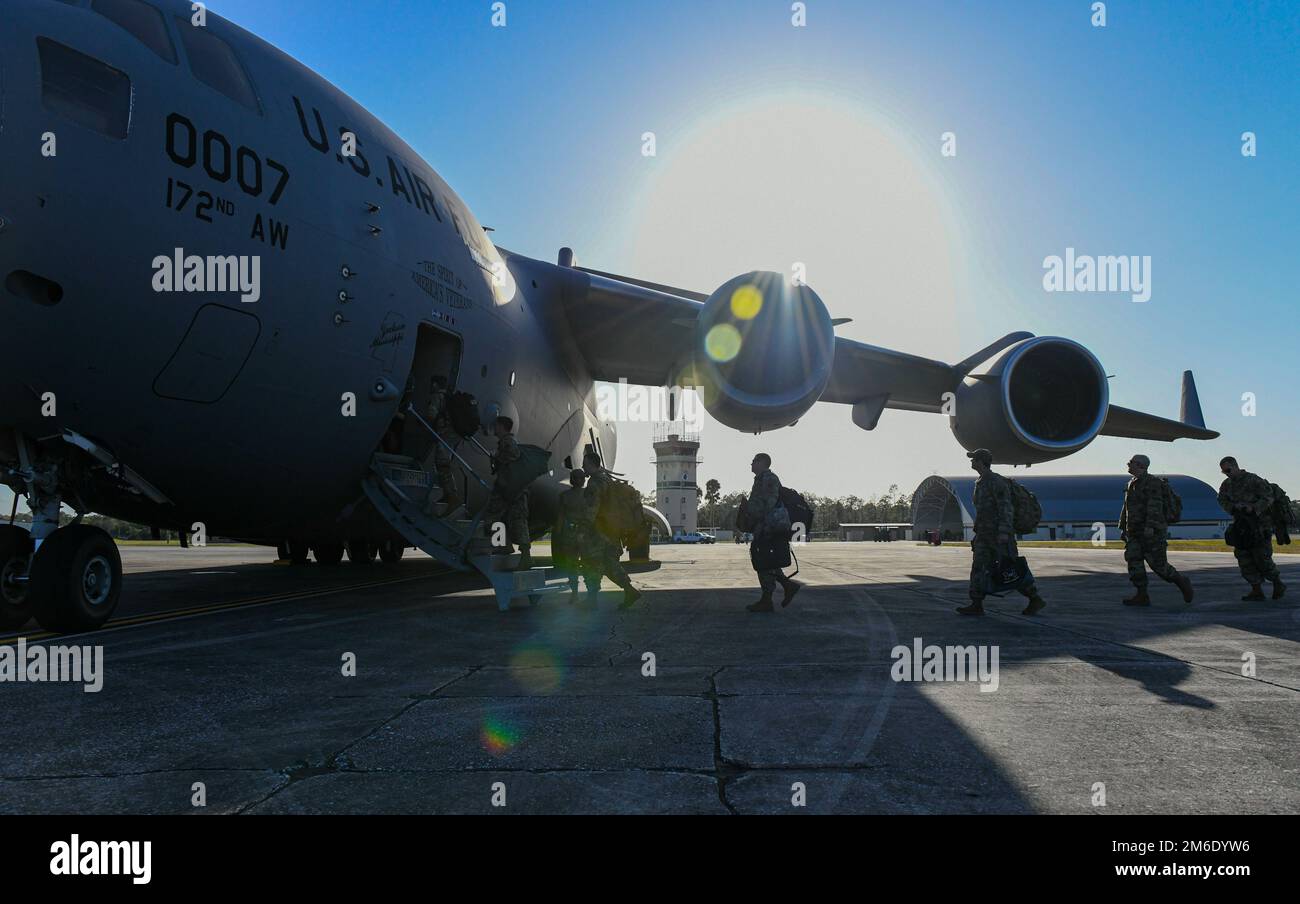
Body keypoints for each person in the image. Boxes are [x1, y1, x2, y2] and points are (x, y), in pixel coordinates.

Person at [956, 449, 1046, 616]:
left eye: (974, 459)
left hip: (999, 536)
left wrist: (1004, 532)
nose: (971, 462)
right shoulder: (980, 482)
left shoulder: (996, 481)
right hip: (984, 535)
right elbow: (982, 512)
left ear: (981, 461)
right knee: (979, 567)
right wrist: (977, 534)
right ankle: (976, 603)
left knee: (1010, 568)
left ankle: (1034, 598)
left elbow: (1006, 508)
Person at [1118, 454, 1194, 606]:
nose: (1128, 464)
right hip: (1134, 532)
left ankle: (1181, 581)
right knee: (1134, 562)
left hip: (1151, 532)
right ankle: (1141, 594)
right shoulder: (1131, 483)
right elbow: (1127, 508)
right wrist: (1123, 527)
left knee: (1159, 565)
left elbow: (1155, 507)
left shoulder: (1153, 483)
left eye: (1131, 462)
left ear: (1140, 465)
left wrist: (1150, 527)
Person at [1218, 456, 1286, 601]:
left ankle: (1277, 583)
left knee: (1262, 557)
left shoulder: (1253, 480)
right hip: (1241, 527)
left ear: (1235, 466)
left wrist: (1253, 508)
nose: (1227, 473)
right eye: (1224, 472)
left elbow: (1268, 496)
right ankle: (1256, 590)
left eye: (1228, 470)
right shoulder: (1226, 485)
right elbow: (1222, 500)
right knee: (1244, 559)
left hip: (1260, 525)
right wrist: (1233, 507)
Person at [581, 451, 642, 609]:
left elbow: (592, 508)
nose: (582, 467)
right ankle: (629, 591)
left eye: (585, 464)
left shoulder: (595, 483)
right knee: (610, 564)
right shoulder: (607, 480)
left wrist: (583, 529)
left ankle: (591, 600)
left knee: (591, 563)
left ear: (592, 464)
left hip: (599, 532)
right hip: (612, 530)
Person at [743, 452, 801, 613]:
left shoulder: (769, 478)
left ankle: (768, 599)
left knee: (763, 560)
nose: (751, 464)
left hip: (768, 526)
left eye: (754, 461)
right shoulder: (761, 479)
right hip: (763, 525)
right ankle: (783, 588)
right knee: (767, 561)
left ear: (762, 463)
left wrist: (761, 523)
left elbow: (769, 502)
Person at [484, 416, 531, 569]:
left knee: (498, 517)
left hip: (511, 488)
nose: (494, 429)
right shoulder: (506, 442)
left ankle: (518, 553)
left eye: (496, 426)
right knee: (507, 518)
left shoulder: (508, 442)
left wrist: (497, 458)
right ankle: (508, 547)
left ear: (502, 427)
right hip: (511, 488)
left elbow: (513, 457)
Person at [554, 469, 596, 601]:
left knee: (573, 565)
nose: (578, 480)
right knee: (584, 564)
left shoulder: (565, 496)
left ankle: (577, 594)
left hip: (572, 534)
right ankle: (586, 595)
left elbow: (560, 518)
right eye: (577, 477)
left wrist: (559, 535)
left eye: (579, 477)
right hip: (582, 534)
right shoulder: (588, 495)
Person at [422, 376, 461, 513]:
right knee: (444, 464)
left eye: (433, 383)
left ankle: (452, 497)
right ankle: (447, 495)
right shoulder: (449, 397)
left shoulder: (437, 397)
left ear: (436, 385)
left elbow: (431, 414)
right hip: (453, 435)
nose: (431, 386)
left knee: (442, 465)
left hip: (444, 434)